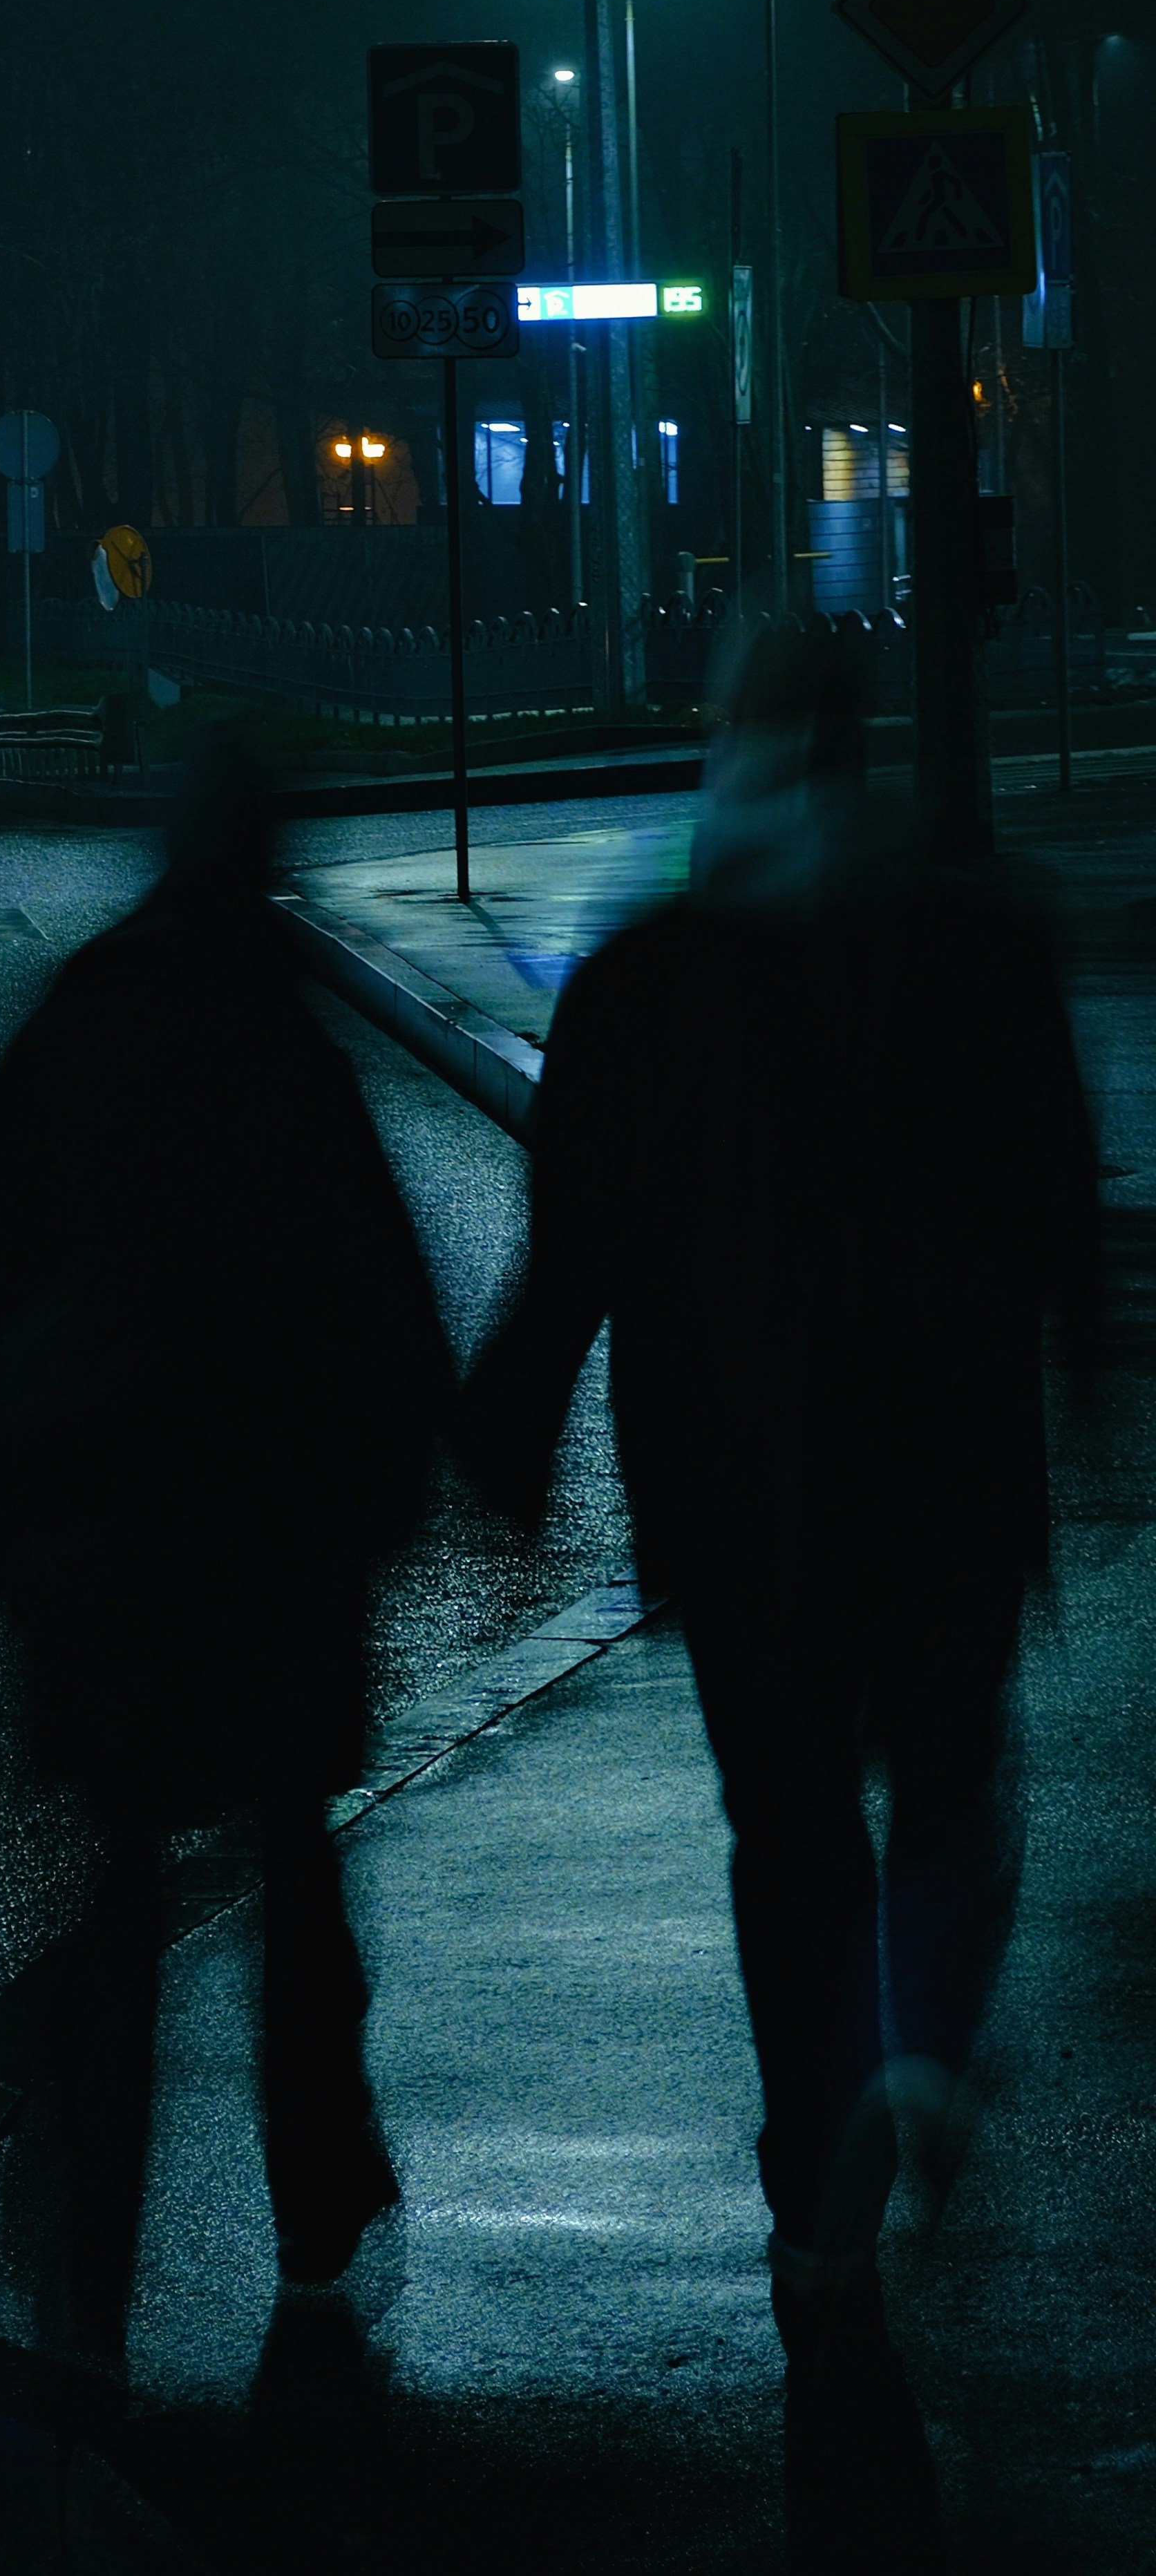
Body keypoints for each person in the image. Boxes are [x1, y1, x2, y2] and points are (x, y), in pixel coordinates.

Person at [458, 621, 1102, 2566]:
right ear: (872, 747)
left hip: (742, 1500)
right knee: (958, 1790)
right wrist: (1100, 1411)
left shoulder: (645, 977)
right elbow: (1060, 1196)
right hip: (950, 1482)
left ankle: (810, 2174)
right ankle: (909, 2036)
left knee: (788, 1834)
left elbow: (572, 1237)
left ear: (733, 750)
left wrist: (500, 1437)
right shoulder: (981, 940)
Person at [0, 735, 453, 2366]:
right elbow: (379, 1300)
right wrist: (397, 1496)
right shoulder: (283, 1036)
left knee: (120, 1894)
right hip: (269, 1544)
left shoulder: (82, 1014)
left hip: (100, 1538)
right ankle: (318, 2201)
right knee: (294, 1876)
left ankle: (91, 2271)